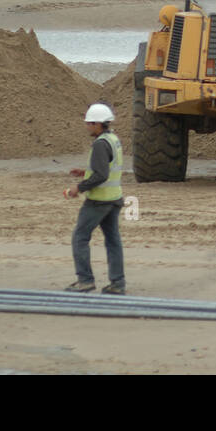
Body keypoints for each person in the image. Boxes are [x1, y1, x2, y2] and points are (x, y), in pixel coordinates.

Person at [63, 103, 126, 294]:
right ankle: (118, 283)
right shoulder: (113, 139)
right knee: (113, 241)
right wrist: (85, 172)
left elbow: (101, 175)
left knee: (80, 238)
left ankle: (85, 280)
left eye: (90, 123)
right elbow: (106, 168)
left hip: (99, 201)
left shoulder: (99, 144)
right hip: (114, 198)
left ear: (98, 124)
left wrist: (78, 188)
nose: (87, 126)